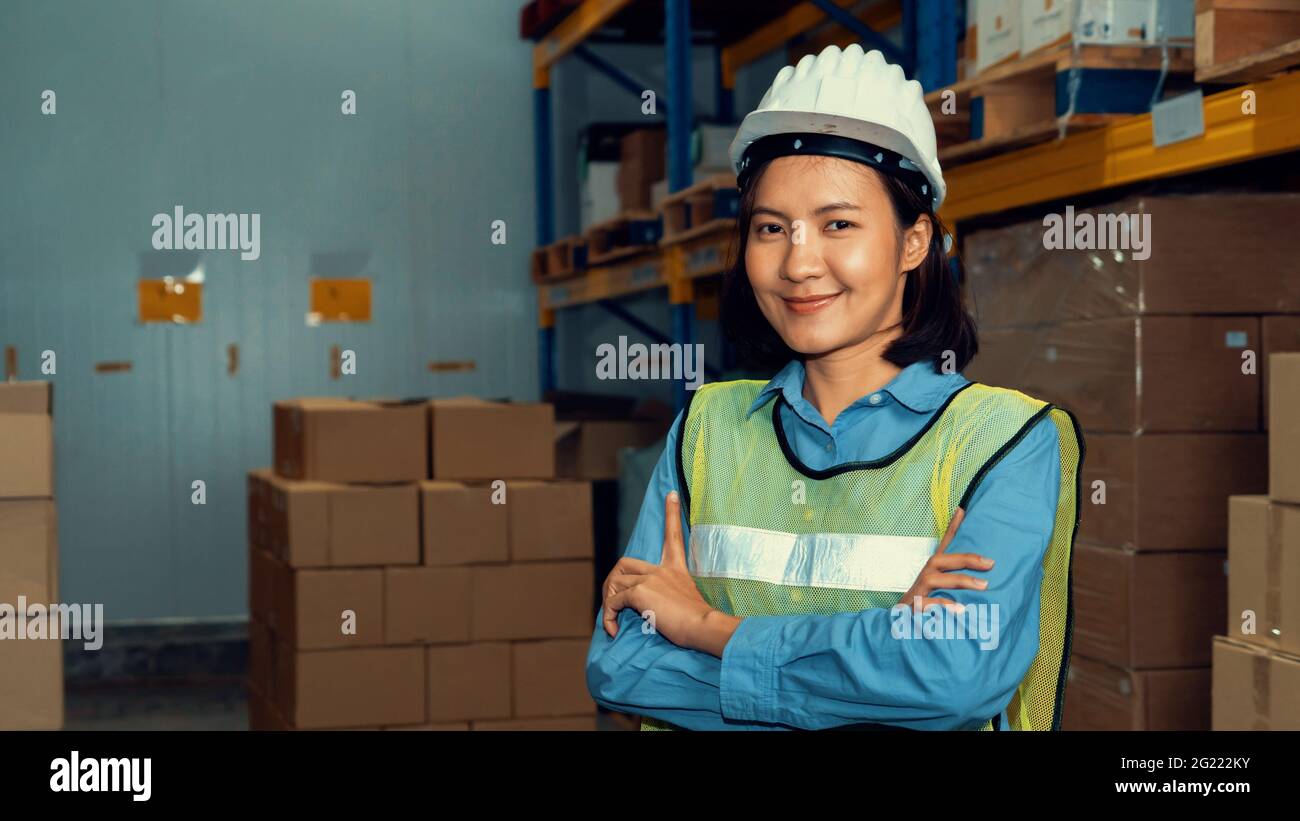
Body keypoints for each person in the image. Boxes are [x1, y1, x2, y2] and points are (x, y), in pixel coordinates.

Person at [585, 44, 1083, 731]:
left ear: (913, 242)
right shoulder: (706, 427)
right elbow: (621, 666)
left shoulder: (1002, 443)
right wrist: (875, 656)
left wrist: (706, 628)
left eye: (837, 224)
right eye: (770, 228)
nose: (798, 262)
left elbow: (951, 678)